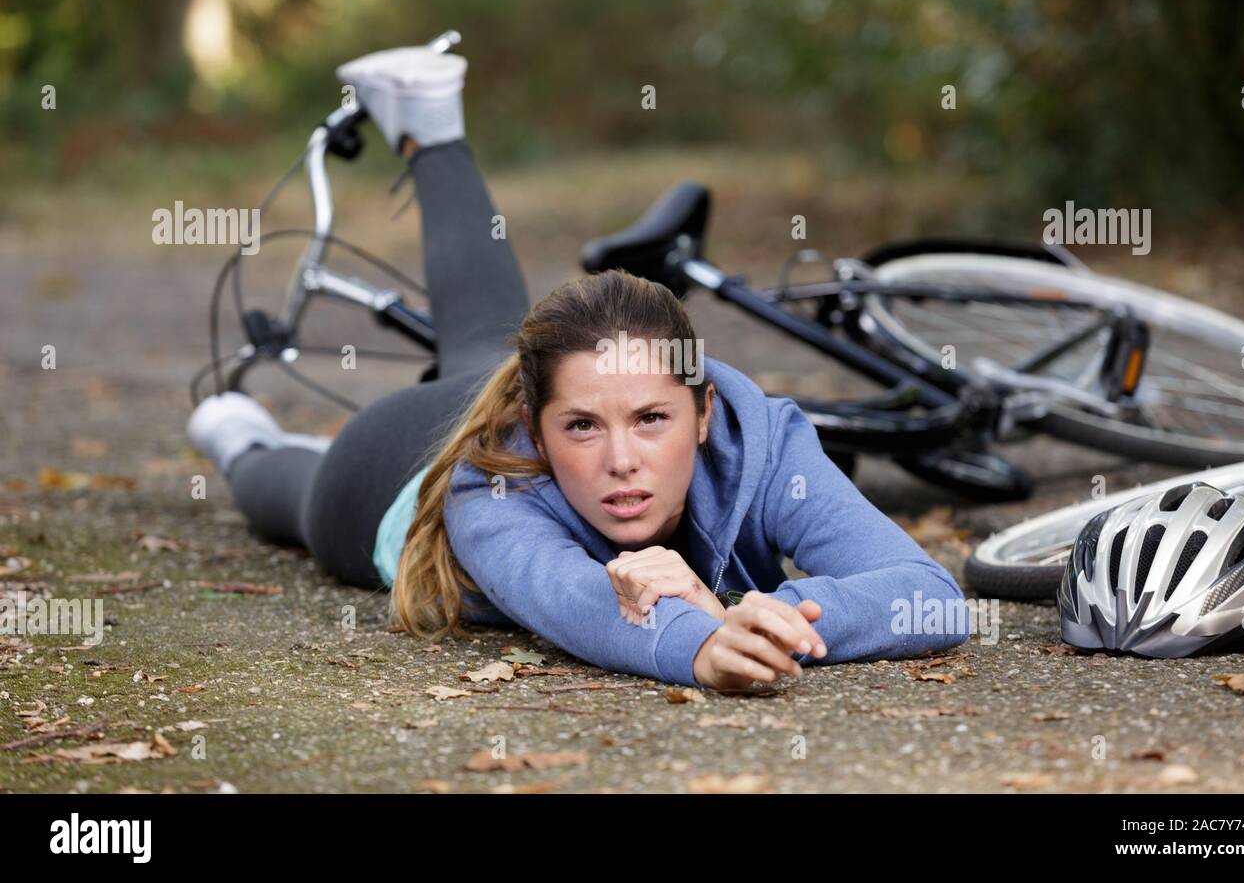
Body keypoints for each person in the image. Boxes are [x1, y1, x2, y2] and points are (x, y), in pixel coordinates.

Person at [188, 147, 968, 691]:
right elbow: (577, 603)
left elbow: (926, 594)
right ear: (540, 425)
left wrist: (752, 616)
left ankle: (429, 122)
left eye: (654, 419)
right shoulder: (488, 493)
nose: (623, 461)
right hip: (380, 477)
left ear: (703, 411)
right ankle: (234, 426)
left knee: (482, 337)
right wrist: (709, 644)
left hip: (520, 391)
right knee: (285, 488)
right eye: (584, 428)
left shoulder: (758, 437)